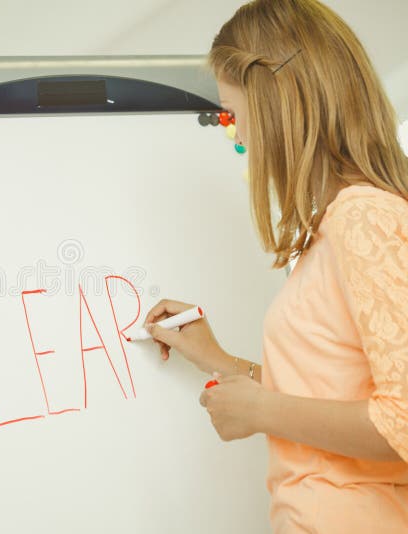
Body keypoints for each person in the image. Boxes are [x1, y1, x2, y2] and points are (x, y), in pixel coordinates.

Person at [144, 0, 408, 532]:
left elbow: (402, 422)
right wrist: (219, 360)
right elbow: (334, 395)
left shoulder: (364, 217)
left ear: (278, 105)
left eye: (234, 114)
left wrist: (258, 412)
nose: (237, 137)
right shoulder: (340, 222)